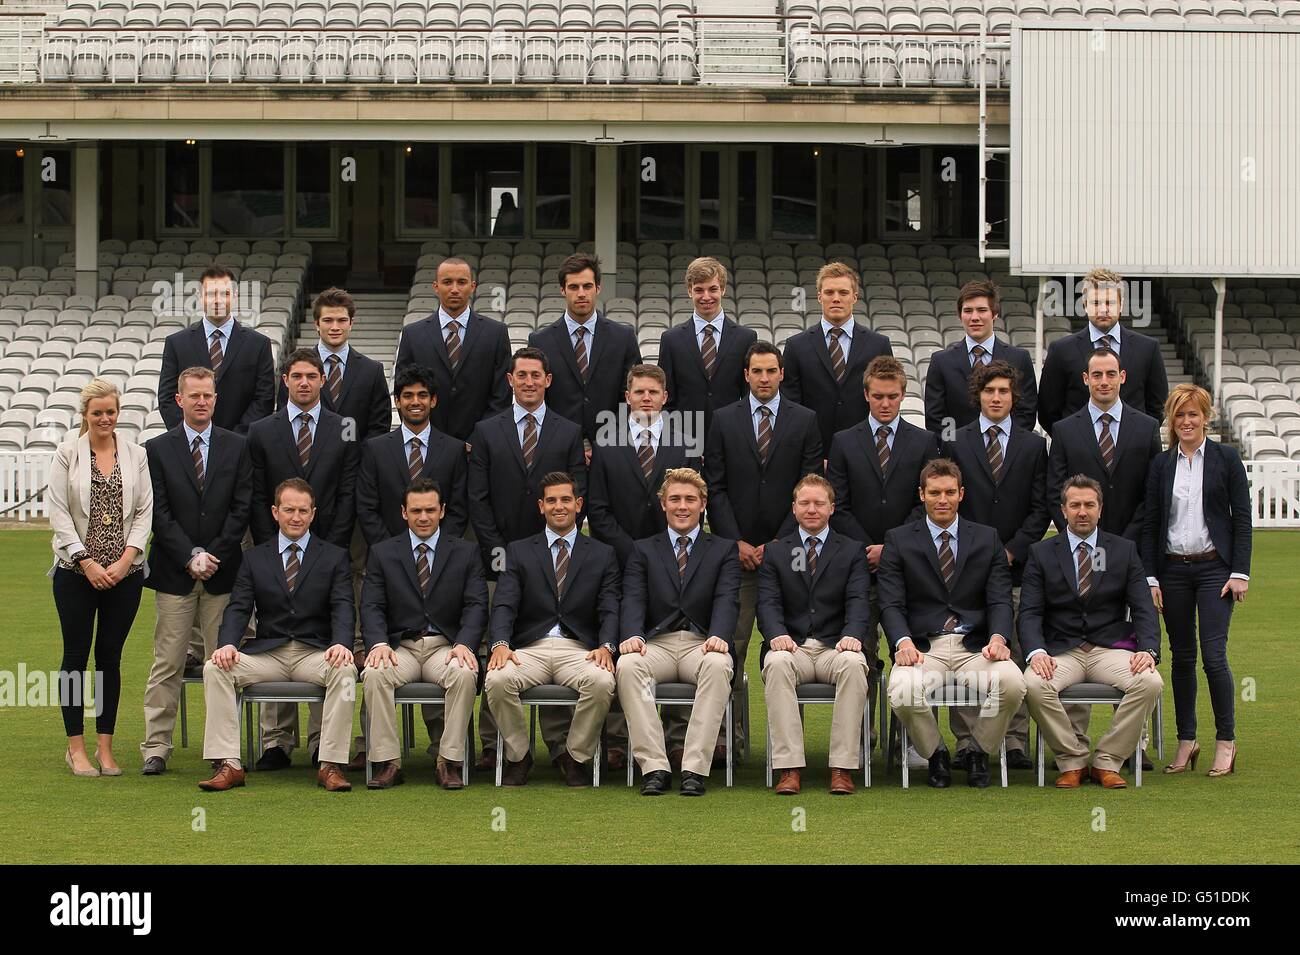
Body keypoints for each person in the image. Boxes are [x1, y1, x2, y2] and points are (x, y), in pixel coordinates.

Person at [198, 479, 358, 792]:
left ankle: (331, 765)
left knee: (347, 671)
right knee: (214, 667)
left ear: (313, 513)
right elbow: (238, 607)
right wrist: (227, 644)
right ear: (275, 512)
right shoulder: (255, 558)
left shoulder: (334, 556)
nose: (295, 517)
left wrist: (341, 643)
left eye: (302, 510)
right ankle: (228, 764)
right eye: (289, 510)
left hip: (315, 653)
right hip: (268, 654)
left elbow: (343, 606)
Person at [467, 346, 585, 767]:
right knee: (496, 646)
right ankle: (491, 744)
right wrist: (497, 549)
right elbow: (477, 499)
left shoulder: (568, 432)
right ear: (510, 381)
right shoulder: (486, 431)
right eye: (522, 375)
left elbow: (574, 497)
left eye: (537, 375)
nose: (530, 382)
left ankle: (557, 744)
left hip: (552, 557)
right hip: (498, 553)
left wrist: (549, 547)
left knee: (546, 637)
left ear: (548, 380)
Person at [704, 341, 822, 756]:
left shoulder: (805, 420)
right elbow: (714, 487)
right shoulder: (722, 420)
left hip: (788, 556)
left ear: (782, 374)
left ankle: (790, 746)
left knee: (788, 648)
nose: (765, 378)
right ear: (746, 375)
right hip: (734, 557)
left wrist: (779, 543)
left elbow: (809, 489)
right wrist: (735, 541)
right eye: (757, 371)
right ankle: (725, 741)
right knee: (728, 650)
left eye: (771, 371)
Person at [878, 459, 1024, 788]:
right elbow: (890, 602)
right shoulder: (899, 540)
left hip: (976, 648)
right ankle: (936, 753)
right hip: (923, 648)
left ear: (961, 494)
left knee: (1013, 684)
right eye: (934, 493)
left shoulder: (987, 539)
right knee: (901, 691)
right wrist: (902, 642)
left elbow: (1000, 598)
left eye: (948, 492)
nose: (942, 499)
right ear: (921, 495)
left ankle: (977, 750)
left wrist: (999, 638)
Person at [247, 347, 360, 768]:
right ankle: (276, 740)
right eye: (297, 376)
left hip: (328, 549)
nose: (305, 383)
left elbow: (348, 490)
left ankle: (320, 743)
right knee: (275, 633)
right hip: (274, 551)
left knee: (324, 639)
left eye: (312, 376)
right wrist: (267, 548)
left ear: (323, 381)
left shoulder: (343, 428)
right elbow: (258, 493)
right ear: (286, 381)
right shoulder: (262, 430)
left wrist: (332, 546)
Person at [140, 366, 253, 775]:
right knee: (167, 663)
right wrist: (189, 555)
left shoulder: (238, 446)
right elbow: (159, 512)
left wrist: (214, 554)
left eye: (208, 395)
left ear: (215, 399)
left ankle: (223, 750)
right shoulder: (157, 449)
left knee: (222, 664)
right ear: (179, 399)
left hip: (223, 575)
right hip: (175, 574)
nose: (202, 401)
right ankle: (156, 747)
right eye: (194, 396)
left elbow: (241, 508)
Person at [1020, 475, 1164, 789]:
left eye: (1089, 504)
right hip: (1061, 651)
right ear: (1063, 510)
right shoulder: (1041, 553)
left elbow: (1143, 607)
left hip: (1109, 649)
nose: (1082, 511)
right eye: (1075, 505)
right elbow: (1029, 611)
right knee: (1032, 683)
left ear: (1100, 509)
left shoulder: (1124, 551)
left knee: (1150, 682)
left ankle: (1107, 760)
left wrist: (1148, 650)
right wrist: (1036, 652)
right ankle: (1072, 761)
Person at [827, 354, 940, 749]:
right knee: (862, 650)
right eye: (878, 396)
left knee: (909, 648)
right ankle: (862, 735)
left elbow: (924, 502)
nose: (886, 403)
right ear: (866, 395)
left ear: (903, 394)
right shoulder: (843, 441)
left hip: (907, 563)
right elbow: (836, 503)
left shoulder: (924, 441)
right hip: (855, 563)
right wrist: (866, 548)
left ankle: (908, 739)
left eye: (892, 396)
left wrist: (890, 546)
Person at [943, 359, 1049, 771]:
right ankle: (969, 741)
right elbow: (950, 503)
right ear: (978, 396)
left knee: (1015, 651)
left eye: (1004, 391)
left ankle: (1016, 741)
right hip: (966, 567)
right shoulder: (956, 441)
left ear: (1014, 397)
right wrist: (979, 551)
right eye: (990, 391)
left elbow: (1041, 509)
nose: (997, 397)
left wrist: (1012, 549)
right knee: (970, 650)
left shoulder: (1034, 445)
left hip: (1017, 565)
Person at [484, 472, 621, 787]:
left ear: (578, 503)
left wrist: (607, 647)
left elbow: (610, 607)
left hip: (579, 649)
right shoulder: (517, 551)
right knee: (497, 679)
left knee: (602, 681)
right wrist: (501, 644)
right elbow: (504, 604)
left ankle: (575, 757)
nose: (559, 506)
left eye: (565, 499)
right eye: (551, 501)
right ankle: (519, 756)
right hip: (529, 649)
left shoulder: (602, 554)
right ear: (541, 506)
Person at [1142, 384, 1251, 778]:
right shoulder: (1162, 464)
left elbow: (1242, 517)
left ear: (1206, 418)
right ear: (1171, 421)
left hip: (1214, 572)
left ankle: (1226, 740)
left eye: (1193, 414)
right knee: (1181, 657)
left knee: (1213, 655)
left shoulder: (1226, 459)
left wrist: (1239, 572)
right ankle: (1187, 739)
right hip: (1172, 570)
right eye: (1179, 415)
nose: (1186, 422)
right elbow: (1153, 522)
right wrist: (1151, 575)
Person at [48, 378, 153, 777]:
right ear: (85, 415)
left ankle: (105, 748)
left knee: (109, 657)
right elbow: (58, 513)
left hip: (124, 575)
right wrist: (86, 561)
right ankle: (75, 748)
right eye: (97, 413)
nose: (105, 418)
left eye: (111, 412)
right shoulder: (66, 453)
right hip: (76, 574)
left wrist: (127, 561)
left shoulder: (136, 454)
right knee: (75, 657)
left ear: (118, 412)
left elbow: (145, 512)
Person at [617, 468, 740, 796]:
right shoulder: (643, 549)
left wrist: (720, 635)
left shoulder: (723, 549)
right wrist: (632, 634)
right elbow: (633, 597)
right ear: (663, 504)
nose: (682, 506)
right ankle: (655, 766)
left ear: (703, 503)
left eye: (689, 499)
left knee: (718, 666)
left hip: (702, 644)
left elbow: (727, 598)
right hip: (656, 644)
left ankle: (694, 768)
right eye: (674, 499)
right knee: (627, 667)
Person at [359, 478, 489, 790]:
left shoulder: (466, 552)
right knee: (374, 672)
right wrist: (377, 642)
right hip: (399, 647)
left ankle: (449, 761)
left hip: (444, 646)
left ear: (442, 510)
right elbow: (372, 604)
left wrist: (465, 644)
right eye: (416, 510)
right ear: (404, 512)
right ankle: (388, 762)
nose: (423, 517)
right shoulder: (382, 552)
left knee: (464, 673)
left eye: (430, 510)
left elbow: (476, 605)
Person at [758, 474, 871, 796]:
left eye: (819, 503)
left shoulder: (851, 551)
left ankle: (842, 767)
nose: (811, 509)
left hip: (836, 646)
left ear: (832, 508)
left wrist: (853, 635)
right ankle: (789, 768)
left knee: (853, 664)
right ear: (793, 508)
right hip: (793, 647)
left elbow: (859, 600)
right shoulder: (776, 553)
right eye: (804, 503)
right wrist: (776, 634)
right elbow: (767, 603)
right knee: (776, 663)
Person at [587, 364, 701, 568]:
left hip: (672, 560)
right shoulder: (604, 447)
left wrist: (665, 549)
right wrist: (630, 550)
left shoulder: (687, 447)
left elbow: (692, 507)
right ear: (628, 397)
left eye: (653, 392)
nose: (646, 398)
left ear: (664, 397)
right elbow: (597, 509)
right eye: (639, 391)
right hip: (619, 560)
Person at [528, 252, 642, 456]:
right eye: (573, 287)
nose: (581, 293)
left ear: (598, 288)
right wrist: (568, 440)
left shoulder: (623, 338)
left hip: (613, 448)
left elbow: (632, 397)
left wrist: (608, 441)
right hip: (558, 448)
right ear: (562, 290)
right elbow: (539, 399)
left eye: (587, 286)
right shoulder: (540, 341)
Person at [1047, 347, 1162, 543]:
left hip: (1135, 545)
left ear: (1122, 376)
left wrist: (1128, 541)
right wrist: (1080, 537)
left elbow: (1153, 491)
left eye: (1111, 374)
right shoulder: (1064, 430)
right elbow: (1055, 491)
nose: (1104, 382)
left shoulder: (1147, 427)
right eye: (1097, 375)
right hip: (1082, 546)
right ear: (1086, 379)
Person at [394, 256, 512, 444]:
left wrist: (480, 439)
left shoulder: (496, 334)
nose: (455, 289)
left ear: (472, 286)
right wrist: (425, 436)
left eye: (461, 282)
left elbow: (501, 396)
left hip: (479, 447)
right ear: (435, 286)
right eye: (447, 282)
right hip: (428, 445)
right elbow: (403, 392)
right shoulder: (412, 335)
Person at [780, 262, 893, 457]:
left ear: (854, 297)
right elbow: (791, 407)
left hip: (865, 451)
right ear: (819, 297)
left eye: (843, 292)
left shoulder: (879, 345)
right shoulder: (795, 346)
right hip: (811, 452)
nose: (836, 299)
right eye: (829, 293)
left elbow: (885, 399)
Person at [1038, 266, 1168, 433]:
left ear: (1121, 305)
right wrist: (1071, 441)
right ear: (1085, 305)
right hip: (1079, 453)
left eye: (1109, 302)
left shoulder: (1148, 349)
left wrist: (1138, 438)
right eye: (1096, 302)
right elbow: (1048, 410)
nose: (1103, 309)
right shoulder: (1061, 351)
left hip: (1133, 452)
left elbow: (1157, 407)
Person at [357, 364, 468, 546]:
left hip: (439, 558)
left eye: (422, 395)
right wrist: (391, 551)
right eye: (408, 395)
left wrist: (435, 547)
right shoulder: (375, 449)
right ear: (397, 402)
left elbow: (459, 510)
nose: (415, 402)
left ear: (433, 400)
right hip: (387, 558)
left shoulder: (454, 450)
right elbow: (367, 508)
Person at [158, 264, 274, 434]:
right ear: (200, 296)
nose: (217, 300)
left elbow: (264, 399)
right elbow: (167, 398)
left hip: (242, 446)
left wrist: (236, 438)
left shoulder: (258, 344)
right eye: (211, 294)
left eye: (224, 293)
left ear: (235, 295)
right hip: (191, 445)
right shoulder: (176, 344)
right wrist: (192, 434)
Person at [658, 257, 757, 447]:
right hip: (684, 441)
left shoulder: (746, 338)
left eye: (712, 289)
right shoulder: (671, 339)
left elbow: (747, 397)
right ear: (689, 291)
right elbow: (667, 400)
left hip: (732, 439)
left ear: (723, 289)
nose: (706, 297)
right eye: (699, 290)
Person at [924, 280, 1037, 440]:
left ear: (995, 313)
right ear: (960, 315)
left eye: (982, 310)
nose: (974, 317)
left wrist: (1005, 446)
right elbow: (936, 418)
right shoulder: (941, 362)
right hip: (957, 457)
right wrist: (954, 447)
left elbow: (1026, 413)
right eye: (968, 311)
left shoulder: (1019, 358)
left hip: (1005, 454)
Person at [276, 287, 392, 441]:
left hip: (357, 461)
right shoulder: (294, 368)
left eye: (342, 320)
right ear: (317, 324)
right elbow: (285, 419)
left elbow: (379, 427)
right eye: (328, 320)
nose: (335, 327)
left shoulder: (372, 371)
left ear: (351, 323)